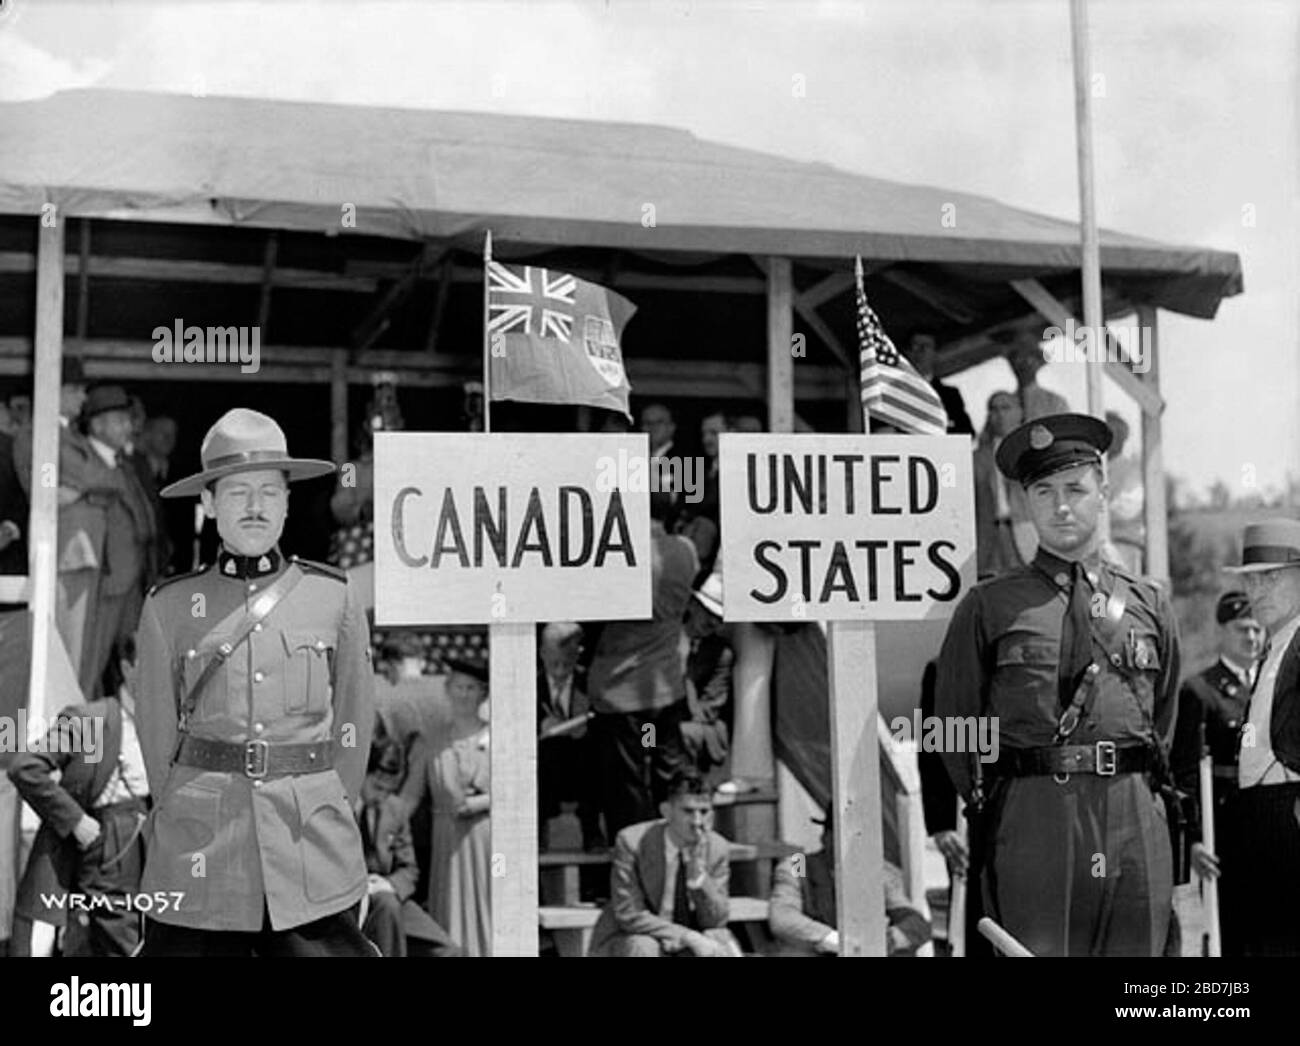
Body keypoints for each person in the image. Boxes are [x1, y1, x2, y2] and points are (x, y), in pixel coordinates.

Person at [934, 413, 1180, 957]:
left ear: (1103, 491)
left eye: (1075, 488)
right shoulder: (988, 605)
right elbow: (952, 727)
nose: (1061, 505)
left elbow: (1164, 719)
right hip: (1034, 815)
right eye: (1043, 491)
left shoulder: (1149, 603)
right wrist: (995, 805)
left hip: (1134, 811)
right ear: (1025, 503)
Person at [133, 407, 375, 957]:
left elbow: (355, 727)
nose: (255, 507)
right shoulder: (169, 608)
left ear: (288, 503)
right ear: (210, 504)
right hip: (203, 847)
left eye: (269, 492)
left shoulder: (332, 596)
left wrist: (328, 804)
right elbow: (154, 737)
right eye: (237, 492)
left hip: (308, 847)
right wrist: (187, 804)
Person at [8, 641, 149, 957]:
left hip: (150, 839)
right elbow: (26, 767)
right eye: (149, 661)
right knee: (116, 940)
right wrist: (75, 820)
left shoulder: (165, 722)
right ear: (127, 668)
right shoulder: (93, 721)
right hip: (109, 840)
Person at [588, 491, 698, 837]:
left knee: (629, 779)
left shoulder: (624, 554)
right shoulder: (685, 550)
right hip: (663, 688)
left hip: (622, 691)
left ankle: (638, 851)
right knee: (664, 768)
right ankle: (673, 842)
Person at [1169, 590, 1264, 956]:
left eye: (1257, 629)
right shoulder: (1199, 690)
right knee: (1230, 930)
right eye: (1242, 628)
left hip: (1272, 824)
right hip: (1224, 828)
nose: (1251, 637)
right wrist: (1192, 839)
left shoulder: (1271, 684)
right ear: (1222, 630)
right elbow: (1186, 773)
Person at [1223, 520, 1300, 955]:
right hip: (1259, 825)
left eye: (1271, 576)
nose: (1258, 590)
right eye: (1251, 579)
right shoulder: (1276, 646)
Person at [588, 770, 741, 957]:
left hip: (687, 941)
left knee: (720, 941)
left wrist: (701, 881)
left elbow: (717, 921)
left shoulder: (717, 847)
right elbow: (629, 914)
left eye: (704, 811)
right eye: (688, 811)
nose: (697, 822)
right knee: (644, 946)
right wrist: (687, 936)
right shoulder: (632, 842)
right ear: (666, 811)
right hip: (633, 938)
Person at [401, 656, 491, 957]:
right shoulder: (432, 739)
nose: (464, 694)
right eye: (458, 687)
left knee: (489, 903)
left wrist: (480, 802)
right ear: (447, 690)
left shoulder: (500, 736)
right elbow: (411, 796)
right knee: (451, 905)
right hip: (447, 838)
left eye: (471, 688)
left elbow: (517, 790)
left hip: (486, 837)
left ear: (483, 693)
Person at [356, 718, 459, 957]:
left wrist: (390, 884)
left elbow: (410, 869)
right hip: (349, 898)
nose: (382, 796)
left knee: (447, 951)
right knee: (386, 906)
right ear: (363, 775)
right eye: (377, 787)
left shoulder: (396, 809)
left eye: (389, 790)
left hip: (387, 893)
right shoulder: (341, 806)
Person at [768, 814, 931, 956]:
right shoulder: (798, 863)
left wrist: (890, 939)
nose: (845, 842)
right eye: (838, 833)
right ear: (825, 836)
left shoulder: (875, 868)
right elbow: (783, 918)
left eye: (853, 835)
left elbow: (915, 921)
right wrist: (837, 941)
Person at [537, 622, 601, 852]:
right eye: (555, 661)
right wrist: (538, 727)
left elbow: (646, 729)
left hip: (584, 761)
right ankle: (536, 831)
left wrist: (588, 730)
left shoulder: (595, 683)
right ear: (542, 653)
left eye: (568, 661)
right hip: (543, 764)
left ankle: (592, 831)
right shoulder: (529, 685)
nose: (561, 668)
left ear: (579, 655)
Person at [973, 390, 1030, 576]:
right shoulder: (976, 458)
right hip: (988, 537)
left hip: (1025, 533)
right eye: (993, 409)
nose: (1000, 414)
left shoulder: (1032, 454)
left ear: (1020, 412)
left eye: (1006, 407)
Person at [902, 331, 974, 436]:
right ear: (907, 352)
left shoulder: (950, 396)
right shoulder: (891, 390)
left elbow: (966, 432)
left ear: (935, 354)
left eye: (925, 346)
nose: (920, 352)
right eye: (915, 346)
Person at [1104, 410, 1145, 573]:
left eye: (1115, 434)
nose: (1111, 440)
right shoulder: (1094, 468)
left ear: (1123, 437)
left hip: (1123, 546)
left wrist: (1091, 511)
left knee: (1120, 595)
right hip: (1096, 548)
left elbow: (1126, 510)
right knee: (1097, 596)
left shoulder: (1130, 470)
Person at [1007, 339, 1069, 421]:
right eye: (1018, 358)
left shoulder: (1054, 402)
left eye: (1029, 358)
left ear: (1038, 363)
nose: (1024, 364)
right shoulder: (1003, 405)